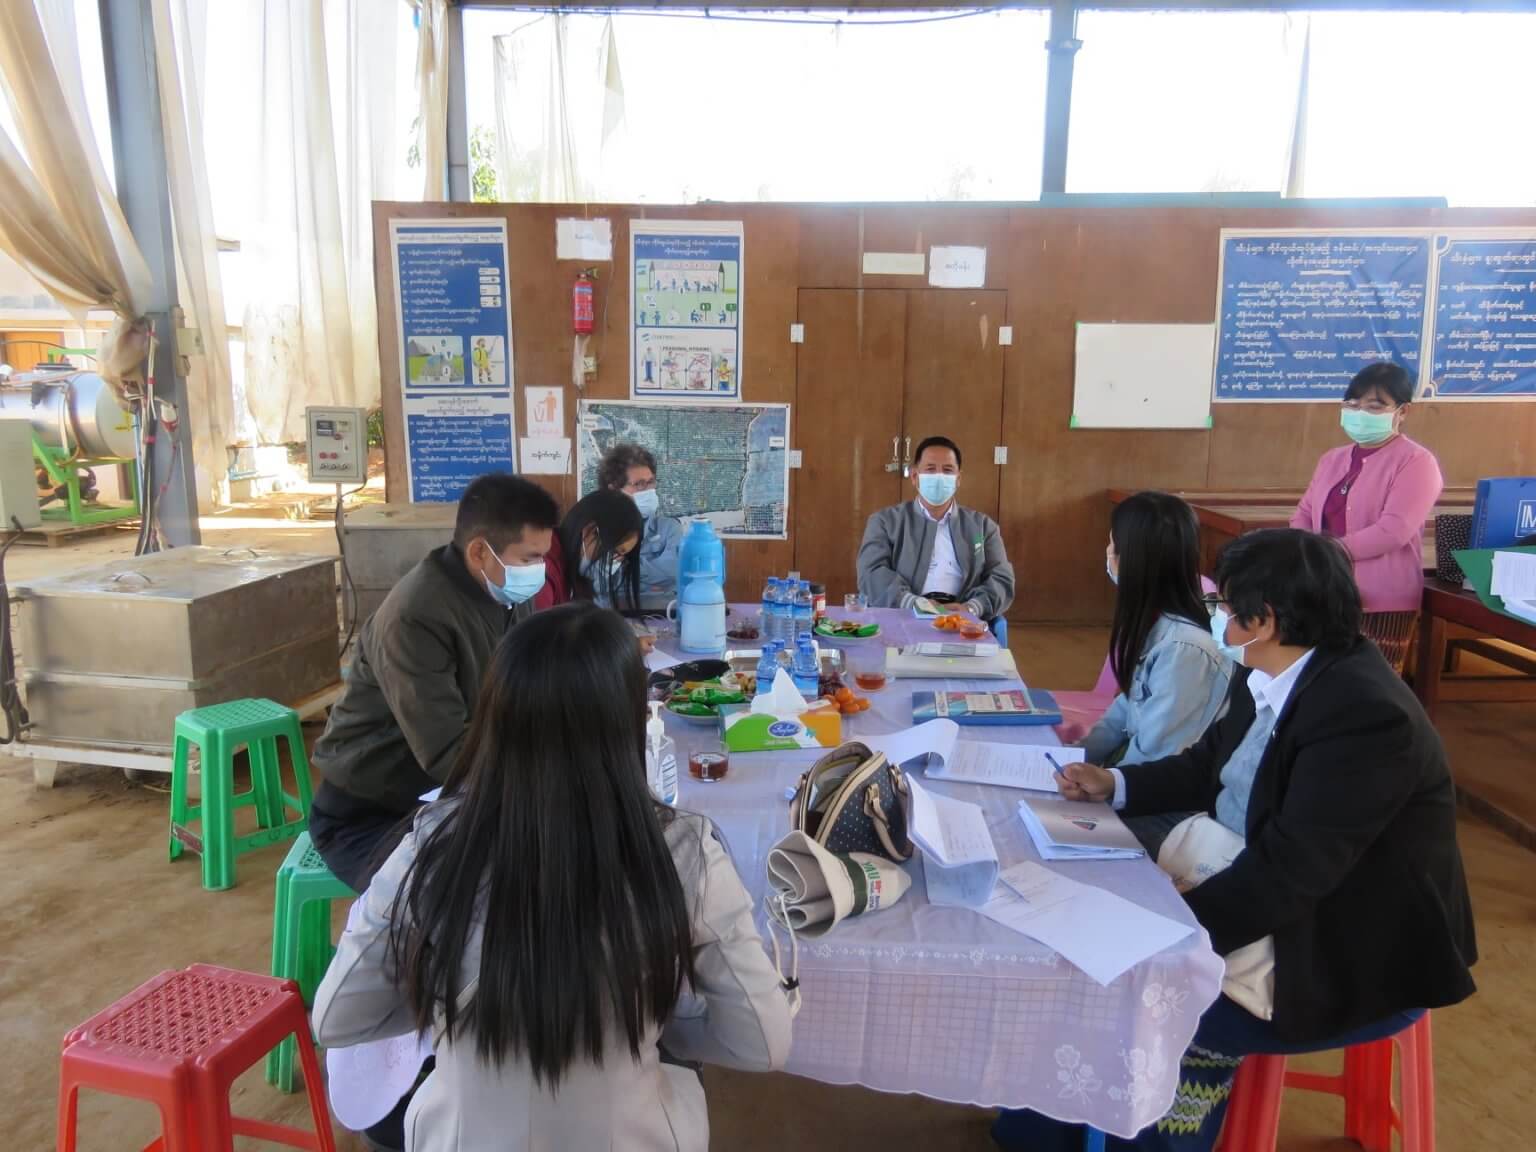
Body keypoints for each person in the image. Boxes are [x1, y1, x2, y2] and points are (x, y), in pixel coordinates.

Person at [998, 529, 1477, 1152]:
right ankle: (1042, 1135)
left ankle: (1149, 1136)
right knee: (1076, 956)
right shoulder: (1269, 671)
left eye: (1225, 606)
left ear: (1265, 620)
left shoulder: (1364, 715)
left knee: (1147, 998)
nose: (1218, 618)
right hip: (1254, 880)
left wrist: (1167, 934)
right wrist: (1113, 783)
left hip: (1347, 942)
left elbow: (1290, 874)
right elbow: (1207, 767)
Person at [313, 603, 794, 1151]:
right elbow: (763, 1041)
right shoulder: (683, 849)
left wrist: (456, 1011)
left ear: (493, 718)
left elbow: (337, 1016)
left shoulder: (434, 843)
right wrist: (646, 1023)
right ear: (630, 721)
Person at [308, 474, 558, 893]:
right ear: (479, 551)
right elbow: (448, 753)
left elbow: (528, 682)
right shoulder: (415, 616)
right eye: (530, 558)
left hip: (448, 798)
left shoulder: (506, 592)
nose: (539, 571)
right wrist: (546, 780)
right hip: (372, 814)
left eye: (543, 558)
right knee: (479, 897)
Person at [1078, 493, 1231, 829]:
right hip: (1136, 788)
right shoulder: (1157, 623)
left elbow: (1157, 757)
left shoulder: (1186, 649)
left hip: (1165, 810)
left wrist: (1101, 788)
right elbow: (1126, 709)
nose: (1107, 554)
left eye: (1112, 545)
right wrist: (1077, 756)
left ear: (1130, 558)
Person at [1291, 361, 1443, 612]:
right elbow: (1304, 514)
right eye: (1353, 405)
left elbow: (1393, 531)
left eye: (1374, 406)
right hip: (1319, 587)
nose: (1361, 413)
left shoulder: (1417, 461)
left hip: (1380, 598)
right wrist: (1306, 551)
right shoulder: (1332, 459)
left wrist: (1327, 551)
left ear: (1403, 411)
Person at [857, 436, 1015, 622]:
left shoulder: (983, 526)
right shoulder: (885, 522)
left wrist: (971, 608)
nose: (939, 476)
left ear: (958, 479)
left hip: (961, 621)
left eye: (947, 470)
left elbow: (1001, 578)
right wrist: (914, 604)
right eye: (930, 469)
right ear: (915, 477)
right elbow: (871, 573)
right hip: (903, 617)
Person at [533, 488, 644, 612]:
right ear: (590, 531)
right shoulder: (543, 572)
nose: (616, 562)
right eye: (616, 552)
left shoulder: (572, 571)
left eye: (623, 557)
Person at [598, 442, 683, 604]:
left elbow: (673, 571)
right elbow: (596, 583)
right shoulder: (596, 531)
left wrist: (624, 566)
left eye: (651, 482)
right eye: (639, 484)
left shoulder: (670, 528)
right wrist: (650, 572)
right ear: (614, 489)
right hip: (612, 613)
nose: (649, 490)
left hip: (662, 611)